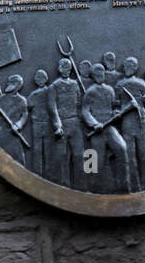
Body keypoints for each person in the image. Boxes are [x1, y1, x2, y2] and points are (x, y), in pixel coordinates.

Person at [82, 62, 129, 191]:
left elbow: (113, 106)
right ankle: (92, 188)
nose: (100, 75)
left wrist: (116, 112)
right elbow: (85, 111)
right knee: (94, 160)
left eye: (101, 72)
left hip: (109, 127)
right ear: (93, 76)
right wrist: (94, 123)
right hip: (96, 130)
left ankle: (123, 185)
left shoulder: (110, 90)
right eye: (97, 74)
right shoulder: (90, 92)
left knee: (122, 149)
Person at [116, 56, 145, 191]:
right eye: (125, 66)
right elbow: (116, 105)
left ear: (135, 68)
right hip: (126, 122)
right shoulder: (120, 85)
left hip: (141, 121)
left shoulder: (142, 84)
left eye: (130, 66)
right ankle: (134, 186)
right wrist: (119, 112)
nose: (127, 69)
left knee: (144, 154)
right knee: (130, 155)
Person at [48, 56, 84, 187]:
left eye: (68, 67)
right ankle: (63, 185)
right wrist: (57, 125)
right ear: (59, 69)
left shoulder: (75, 84)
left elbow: (79, 103)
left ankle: (83, 183)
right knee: (62, 156)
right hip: (62, 124)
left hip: (75, 123)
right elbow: (52, 108)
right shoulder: (54, 86)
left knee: (81, 154)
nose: (66, 70)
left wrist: (81, 120)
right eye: (64, 67)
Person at [0, 73, 28, 165]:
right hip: (2, 135)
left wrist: (18, 125)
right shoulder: (2, 99)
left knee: (20, 162)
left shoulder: (21, 100)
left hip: (14, 135)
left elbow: (25, 115)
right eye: (8, 83)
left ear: (17, 86)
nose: (8, 85)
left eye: (11, 83)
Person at [27, 68, 51, 178]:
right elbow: (27, 106)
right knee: (37, 150)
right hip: (37, 124)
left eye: (42, 78)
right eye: (38, 78)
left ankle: (49, 175)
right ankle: (37, 174)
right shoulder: (33, 95)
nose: (40, 80)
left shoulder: (50, 92)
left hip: (48, 124)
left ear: (46, 79)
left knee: (48, 150)